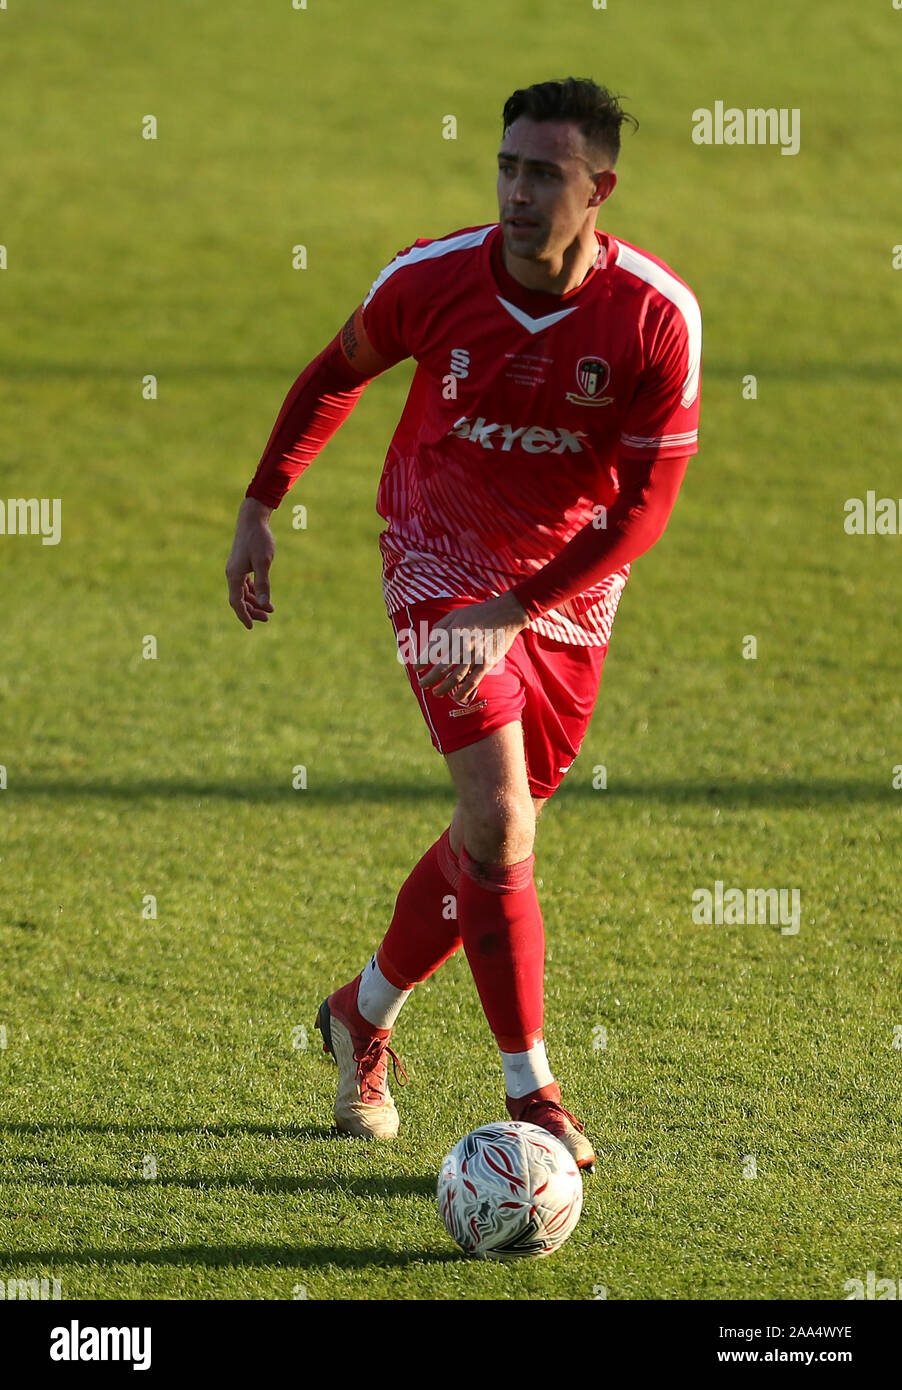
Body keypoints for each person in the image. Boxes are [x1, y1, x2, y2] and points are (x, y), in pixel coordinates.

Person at [226, 77, 702, 1171]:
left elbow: (642, 510)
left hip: (566, 589)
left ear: (600, 190)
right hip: (436, 558)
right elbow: (331, 373)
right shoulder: (431, 279)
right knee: (495, 813)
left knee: (496, 839)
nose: (518, 193)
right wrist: (260, 506)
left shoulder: (650, 316)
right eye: (507, 167)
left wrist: (520, 607)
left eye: (545, 174)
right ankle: (532, 1090)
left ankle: (360, 1013)